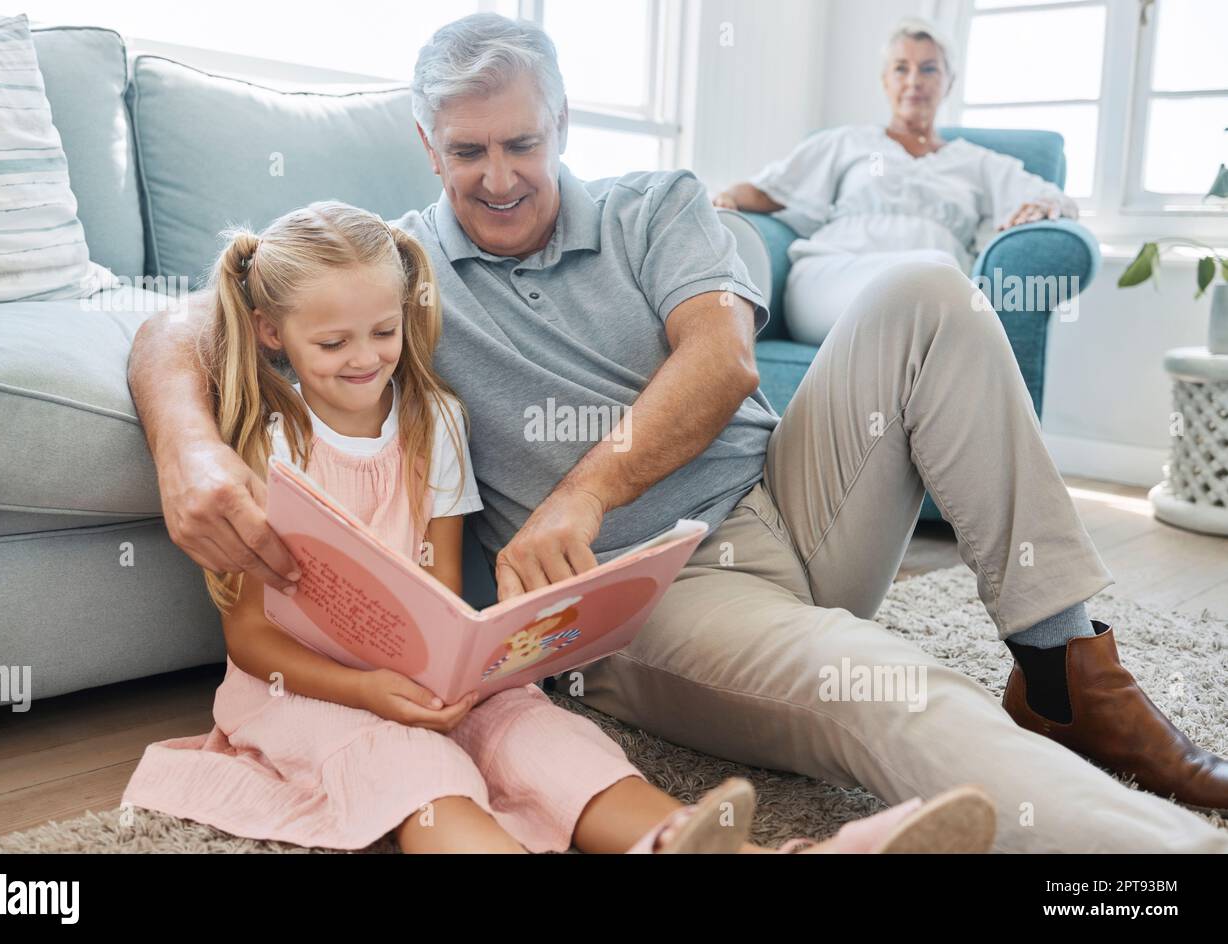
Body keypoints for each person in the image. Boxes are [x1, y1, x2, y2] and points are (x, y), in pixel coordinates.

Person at [127, 13, 1228, 852]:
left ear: (563, 127)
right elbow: (194, 310)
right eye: (467, 153)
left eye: (522, 143)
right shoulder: (399, 276)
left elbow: (722, 360)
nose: (499, 177)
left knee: (929, 289)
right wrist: (187, 442)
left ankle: (1061, 667)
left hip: (788, 506)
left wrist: (584, 484)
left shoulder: (656, 205)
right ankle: (1159, 858)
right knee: (885, 680)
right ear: (427, 145)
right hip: (655, 595)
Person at [120, 200, 990, 853]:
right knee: (419, 770)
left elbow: (437, 593)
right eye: (333, 342)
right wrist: (369, 691)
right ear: (272, 335)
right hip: (306, 690)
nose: (366, 358)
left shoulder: (434, 423)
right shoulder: (271, 448)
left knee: (542, 735)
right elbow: (249, 642)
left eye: (384, 330)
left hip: (422, 676)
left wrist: (486, 658)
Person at [712, 18, 1075, 345]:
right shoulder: (846, 142)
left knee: (939, 283)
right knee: (939, 277)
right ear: (886, 81)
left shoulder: (978, 162)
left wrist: (1045, 204)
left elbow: (1053, 199)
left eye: (929, 69)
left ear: (949, 82)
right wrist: (728, 195)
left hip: (934, 297)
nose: (914, 81)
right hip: (833, 278)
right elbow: (765, 190)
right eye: (901, 69)